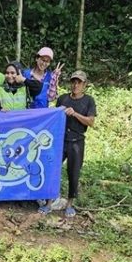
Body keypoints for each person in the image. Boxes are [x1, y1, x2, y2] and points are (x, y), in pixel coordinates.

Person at [50, 70, 96, 217]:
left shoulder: (89, 101)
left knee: (73, 173)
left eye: (79, 82)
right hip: (61, 140)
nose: (76, 85)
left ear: (84, 85)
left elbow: (91, 121)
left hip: (77, 141)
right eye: (73, 82)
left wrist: (75, 113)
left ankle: (70, 204)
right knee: (53, 170)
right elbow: (55, 117)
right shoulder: (63, 98)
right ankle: (49, 202)